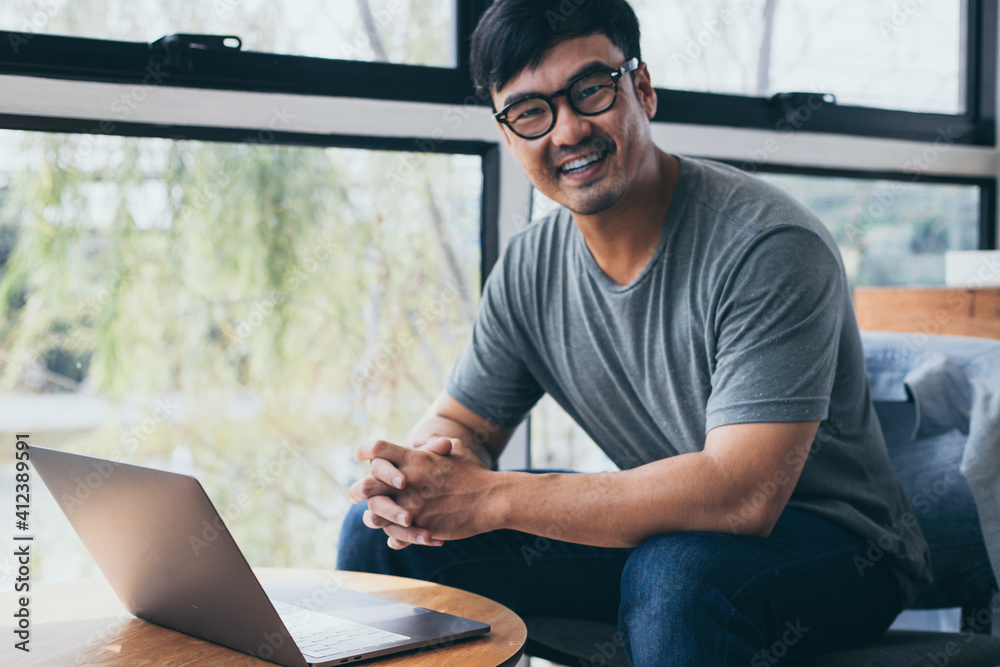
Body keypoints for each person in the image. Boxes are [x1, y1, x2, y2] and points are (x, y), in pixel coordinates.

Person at [338, 1, 932, 664]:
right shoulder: (532, 265)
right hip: (668, 534)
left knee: (678, 573)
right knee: (375, 541)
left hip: (839, 546)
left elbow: (744, 496)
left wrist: (493, 496)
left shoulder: (768, 245)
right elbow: (464, 423)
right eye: (531, 112)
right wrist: (417, 478)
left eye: (590, 91)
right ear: (509, 135)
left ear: (641, 88)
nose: (566, 131)